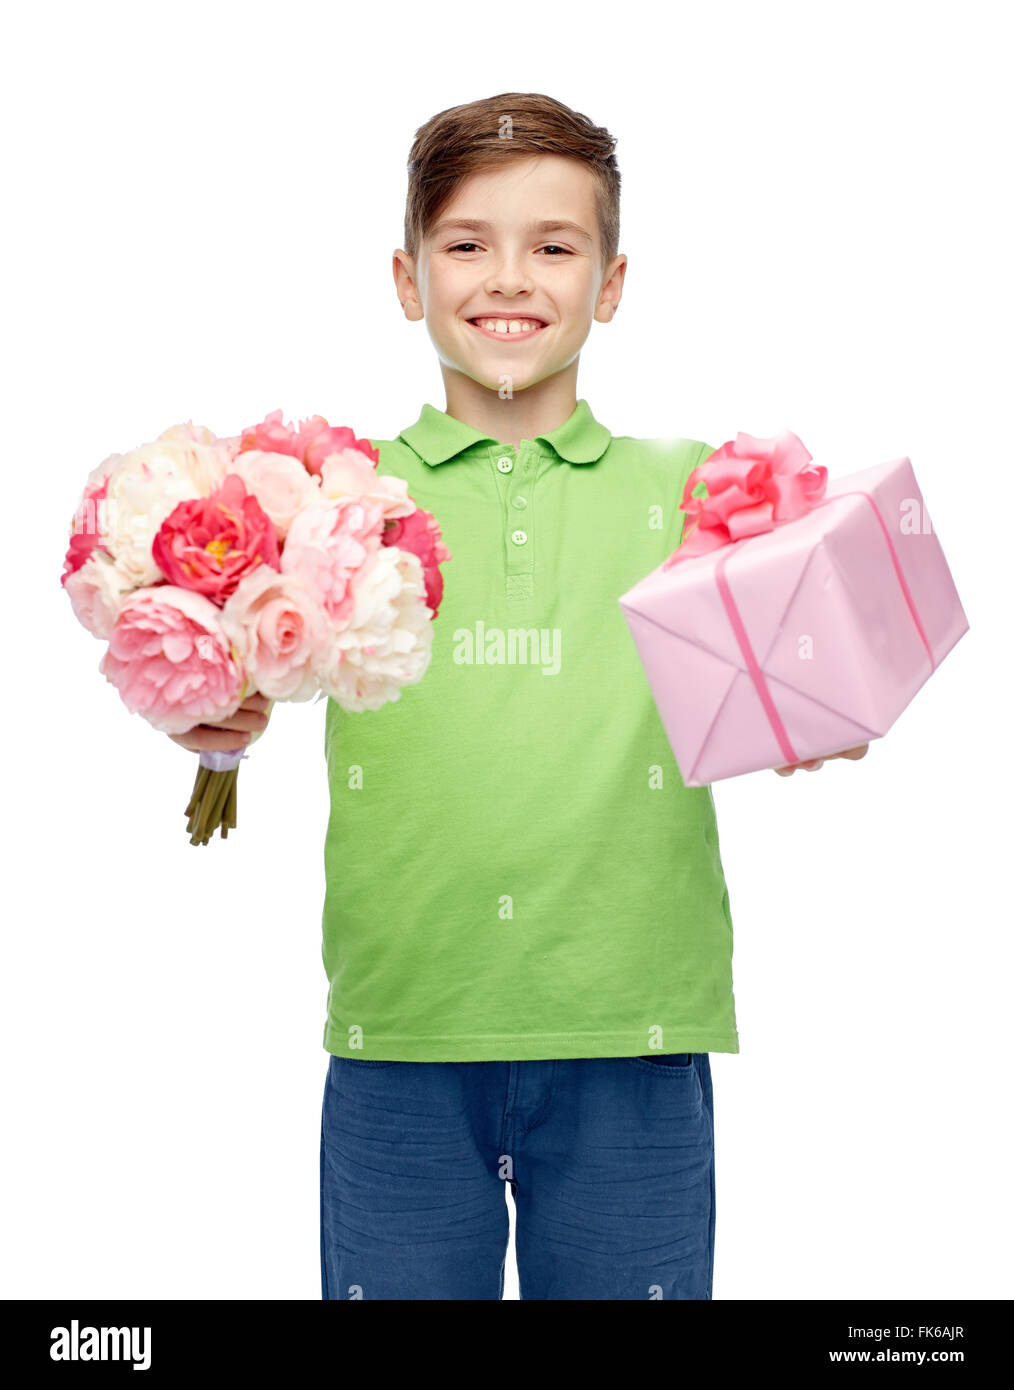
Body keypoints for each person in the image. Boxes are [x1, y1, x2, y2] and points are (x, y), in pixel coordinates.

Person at [171, 92, 868, 1300]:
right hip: (402, 1033)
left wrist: (820, 707)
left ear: (610, 283)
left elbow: (819, 672)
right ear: (406, 277)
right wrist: (217, 741)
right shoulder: (335, 492)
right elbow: (236, 689)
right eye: (466, 243)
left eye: (554, 245)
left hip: (632, 1032)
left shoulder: (700, 491)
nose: (511, 278)